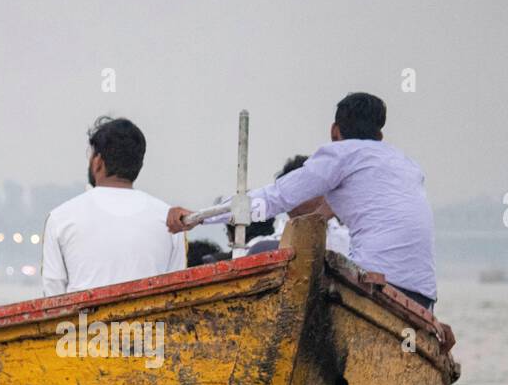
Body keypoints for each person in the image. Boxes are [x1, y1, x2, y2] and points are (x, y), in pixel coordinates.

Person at [167, 93, 437, 308]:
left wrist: (196, 218)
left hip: (375, 287)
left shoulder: (340, 155)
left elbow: (273, 199)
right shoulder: (408, 165)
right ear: (380, 136)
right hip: (423, 293)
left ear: (334, 131)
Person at [41, 116, 186, 296]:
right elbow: (177, 293)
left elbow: (53, 295)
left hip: (84, 324)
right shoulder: (170, 221)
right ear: (138, 164)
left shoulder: (60, 218)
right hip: (151, 324)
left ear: (98, 162)